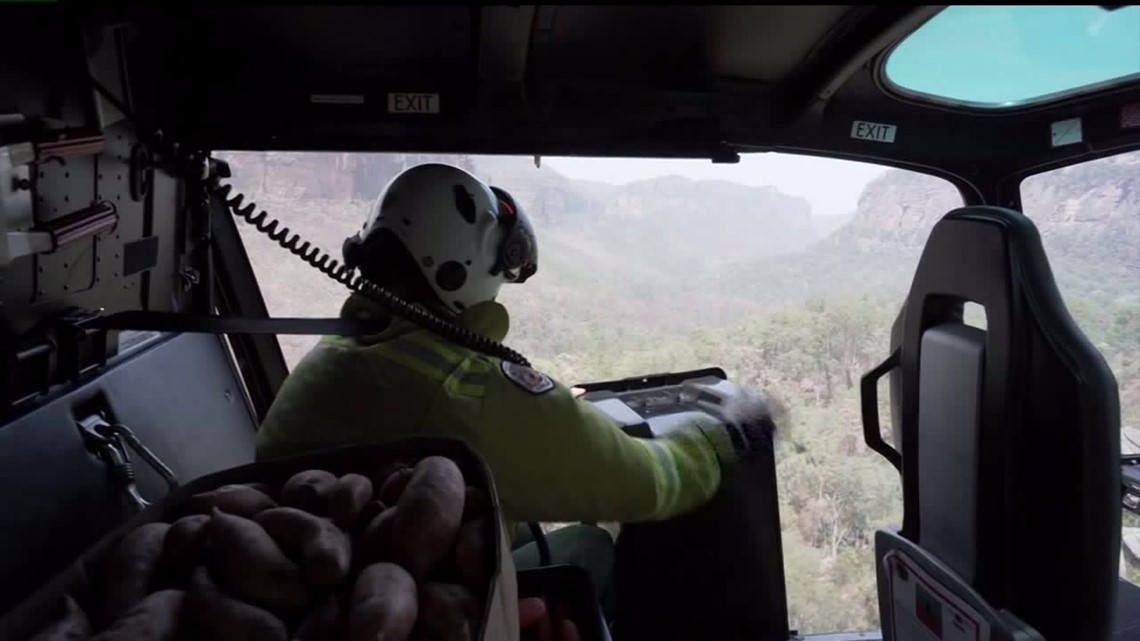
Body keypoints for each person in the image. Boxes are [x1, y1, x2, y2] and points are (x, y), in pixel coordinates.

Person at [254, 163, 776, 616]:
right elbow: (648, 483)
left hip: (317, 600)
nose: (504, 278)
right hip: (408, 608)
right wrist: (717, 437)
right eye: (501, 263)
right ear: (458, 266)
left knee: (520, 530)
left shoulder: (335, 356)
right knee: (589, 544)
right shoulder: (469, 392)